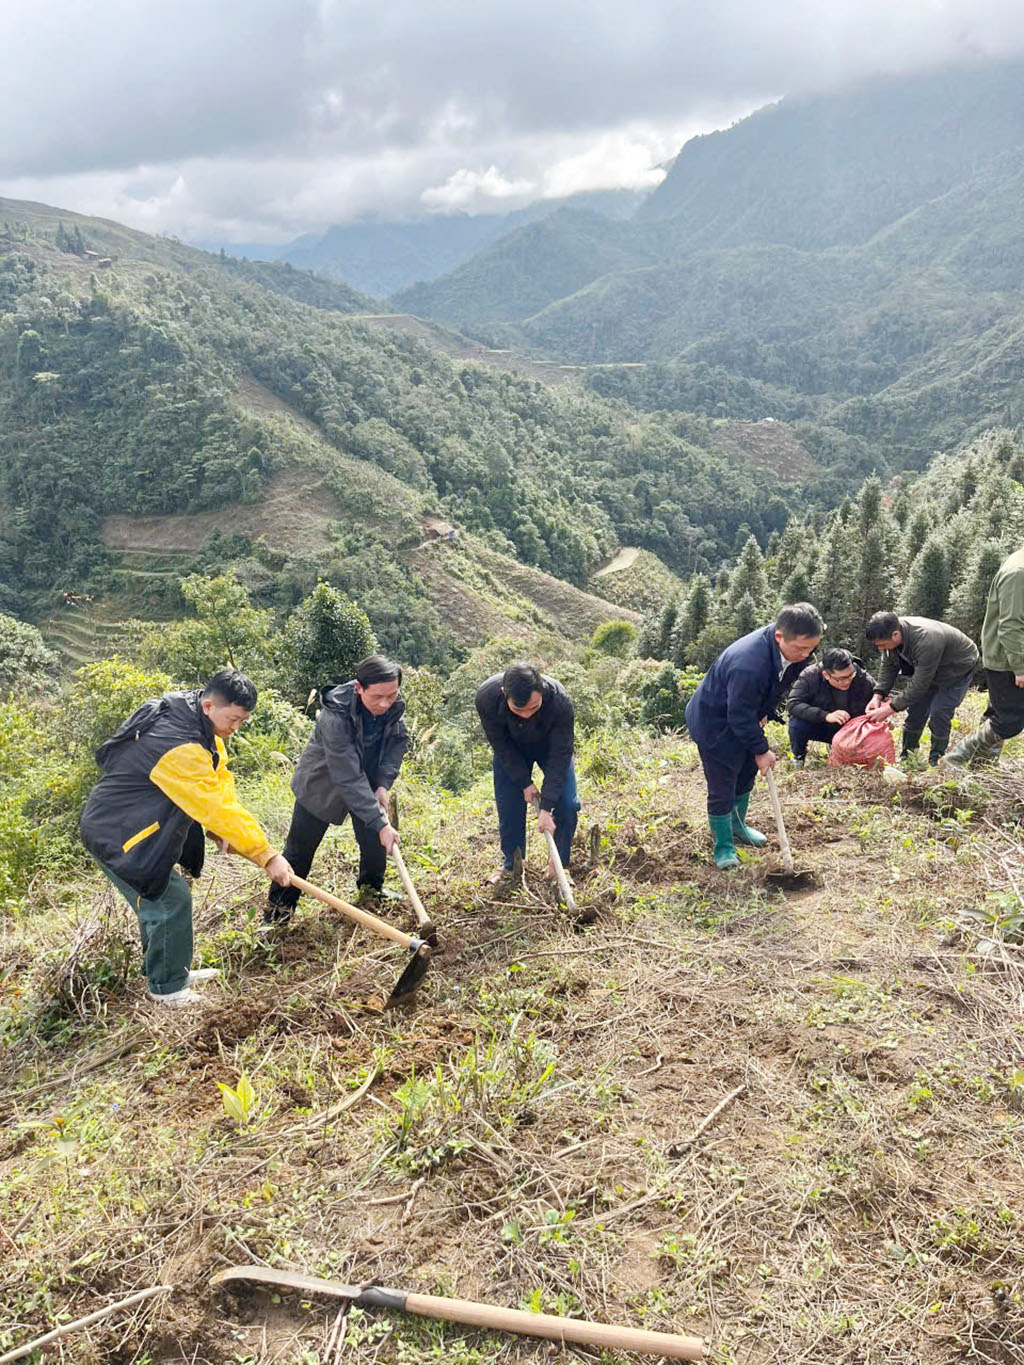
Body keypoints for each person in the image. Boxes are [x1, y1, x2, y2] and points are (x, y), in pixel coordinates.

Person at [79, 669, 293, 1010]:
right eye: (234, 719)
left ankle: (170, 971)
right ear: (209, 705)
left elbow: (218, 777)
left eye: (242, 721)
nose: (235, 727)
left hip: (135, 821)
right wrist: (267, 855)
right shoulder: (180, 744)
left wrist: (220, 830)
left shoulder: (194, 716)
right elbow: (216, 805)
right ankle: (167, 990)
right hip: (117, 831)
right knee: (167, 899)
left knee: (161, 899)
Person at [264, 654, 409, 929]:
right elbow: (346, 775)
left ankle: (371, 890)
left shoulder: (393, 705)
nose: (385, 703)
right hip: (321, 784)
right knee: (299, 851)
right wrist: (380, 822)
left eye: (391, 695)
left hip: (365, 782)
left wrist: (382, 785)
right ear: (359, 688)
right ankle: (277, 915)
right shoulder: (335, 715)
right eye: (377, 696)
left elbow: (397, 743)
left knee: (374, 843)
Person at [685, 603, 823, 869]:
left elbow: (774, 686)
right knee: (723, 781)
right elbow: (737, 713)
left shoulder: (794, 652)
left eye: (811, 648)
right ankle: (723, 845)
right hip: (715, 722)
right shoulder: (749, 663)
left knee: (746, 771)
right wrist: (761, 750)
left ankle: (738, 825)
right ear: (779, 636)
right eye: (800, 649)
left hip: (743, 714)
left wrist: (764, 711)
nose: (806, 655)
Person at [475, 663, 579, 884]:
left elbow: (561, 755)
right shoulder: (487, 698)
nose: (525, 715)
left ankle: (558, 865)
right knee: (509, 805)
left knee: (567, 804)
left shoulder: (559, 702)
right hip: (512, 750)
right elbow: (500, 745)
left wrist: (547, 807)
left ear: (541, 690)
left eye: (533, 708)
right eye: (518, 709)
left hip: (550, 749)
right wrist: (524, 782)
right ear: (504, 694)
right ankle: (512, 865)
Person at [943, 546, 1024, 769]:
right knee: (1009, 720)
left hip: (1011, 654)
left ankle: (983, 766)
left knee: (998, 712)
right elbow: (1010, 625)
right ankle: (956, 758)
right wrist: (1020, 667)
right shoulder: (1019, 572)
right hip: (1008, 657)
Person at [865, 612, 978, 764]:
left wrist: (888, 709)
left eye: (882, 645)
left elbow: (920, 684)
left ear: (895, 635)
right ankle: (907, 757)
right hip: (928, 667)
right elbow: (889, 665)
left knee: (940, 711)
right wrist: (877, 695)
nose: (881, 649)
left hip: (957, 667)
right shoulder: (891, 635)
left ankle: (936, 760)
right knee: (916, 711)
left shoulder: (927, 639)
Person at [787, 647, 877, 767]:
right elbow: (793, 703)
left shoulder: (862, 677)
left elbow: (879, 696)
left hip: (850, 729)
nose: (847, 681)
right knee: (797, 723)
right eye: (841, 679)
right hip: (821, 725)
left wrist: (881, 711)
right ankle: (798, 758)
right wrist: (826, 716)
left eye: (851, 675)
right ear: (826, 675)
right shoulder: (810, 676)